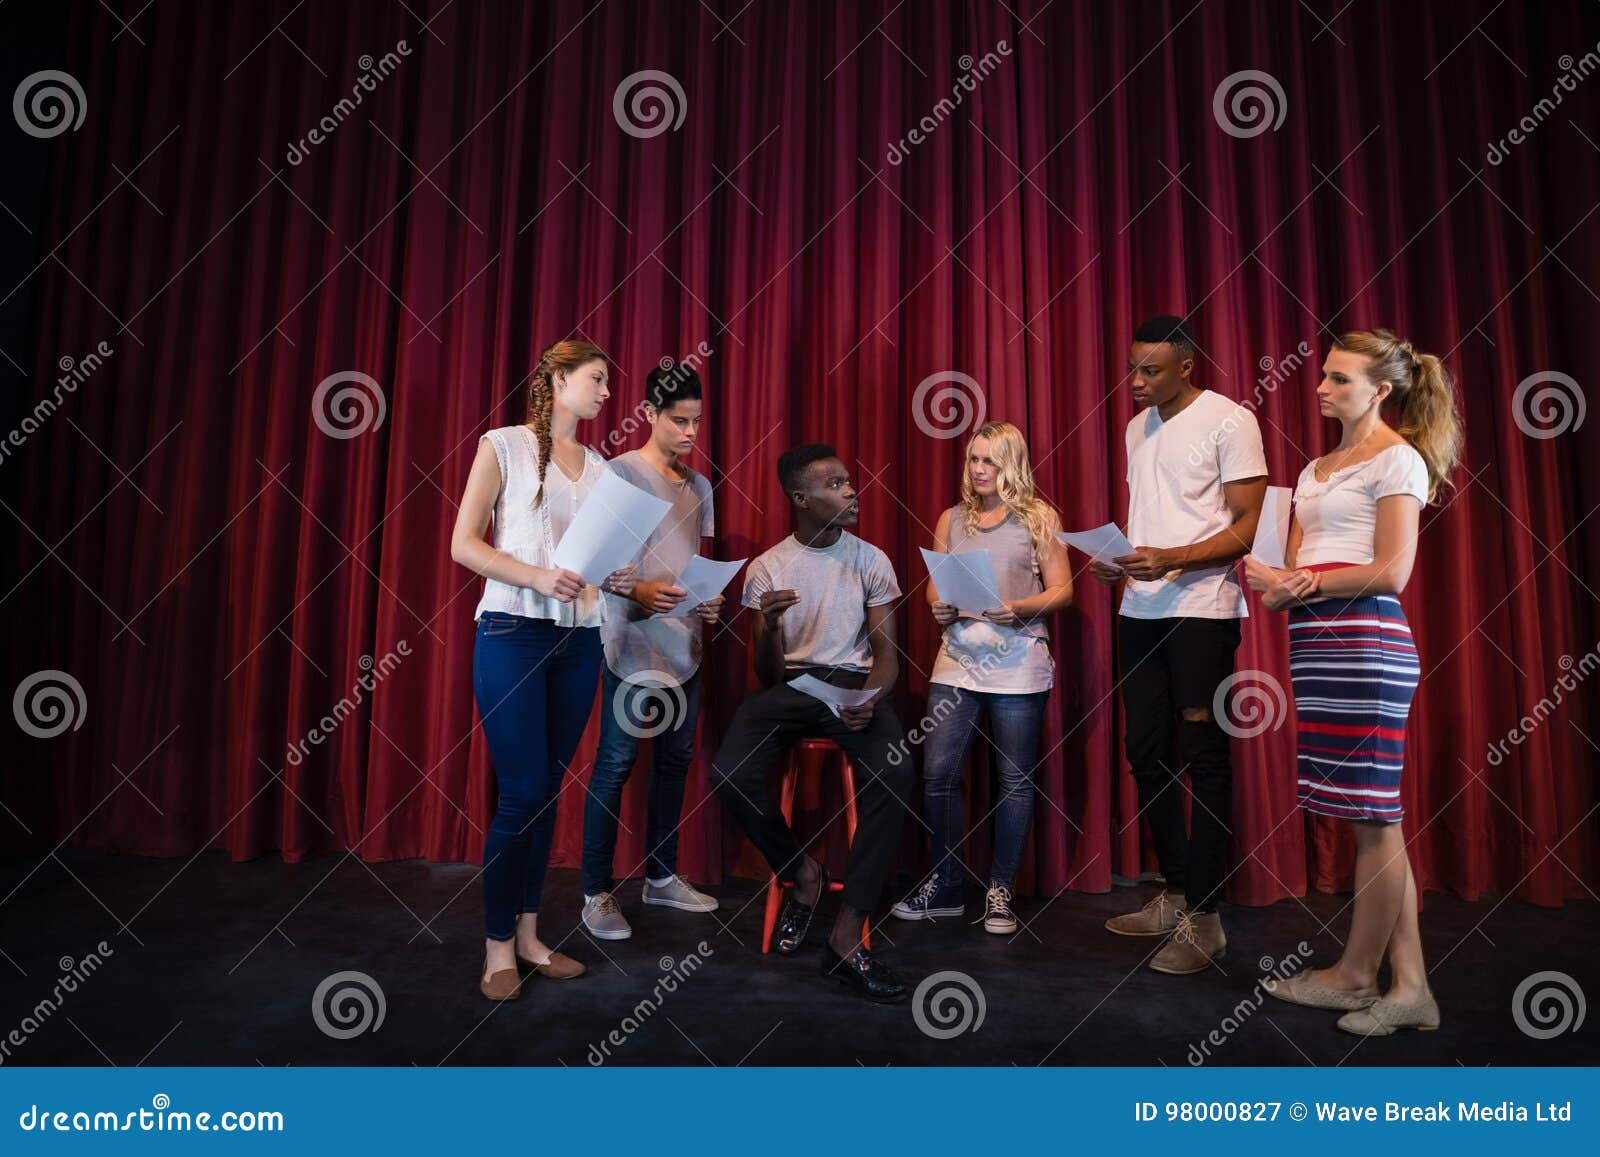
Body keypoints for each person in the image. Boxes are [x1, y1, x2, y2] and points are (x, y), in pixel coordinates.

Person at [1255, 329, 1461, 1036]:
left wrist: (1298, 582)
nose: (1321, 387)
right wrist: (1274, 580)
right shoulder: (1317, 466)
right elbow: (1291, 564)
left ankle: (1352, 975)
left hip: (1367, 643)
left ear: (1380, 390)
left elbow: (1392, 571)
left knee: (1374, 820)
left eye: (1340, 379)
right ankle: (1409, 988)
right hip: (1317, 643)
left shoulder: (1397, 458)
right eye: (1324, 376)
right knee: (1369, 816)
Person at [450, 339, 635, 1002]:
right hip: (511, 635)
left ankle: (530, 937)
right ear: (557, 381)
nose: (607, 392)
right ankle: (497, 945)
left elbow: (590, 559)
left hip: (579, 642)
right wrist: (537, 576)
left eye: (607, 382)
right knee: (522, 793)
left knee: (548, 794)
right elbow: (463, 543)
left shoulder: (602, 467)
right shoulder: (502, 445)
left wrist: (608, 574)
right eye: (596, 379)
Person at [1089, 315, 1267, 974]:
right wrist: (1121, 562)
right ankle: (1172, 891)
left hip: (1201, 609)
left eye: (1151, 370)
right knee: (1144, 751)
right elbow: (1151, 525)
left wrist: (1175, 559)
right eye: (1133, 368)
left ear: (1187, 365)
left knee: (1203, 755)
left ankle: (1207, 918)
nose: (1136, 382)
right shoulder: (1140, 427)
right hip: (1141, 607)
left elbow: (1249, 528)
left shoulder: (1229, 419)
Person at [709, 443, 913, 1001]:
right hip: (792, 685)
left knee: (894, 773)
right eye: (836, 484)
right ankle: (801, 873)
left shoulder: (872, 559)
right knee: (728, 774)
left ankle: (848, 933)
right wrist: (769, 628)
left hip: (852, 683)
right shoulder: (768, 567)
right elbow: (768, 673)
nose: (852, 491)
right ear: (802, 498)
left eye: (850, 481)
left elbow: (889, 653)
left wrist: (873, 694)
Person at [890, 421, 1074, 934]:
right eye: (973, 459)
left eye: (989, 460)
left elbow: (1063, 591)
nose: (978, 469)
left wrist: (1019, 608)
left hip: (1018, 664)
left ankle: (999, 890)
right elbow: (933, 590)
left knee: (1014, 780)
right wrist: (939, 608)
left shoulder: (1039, 518)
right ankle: (946, 884)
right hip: (957, 662)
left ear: (1011, 463)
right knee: (938, 777)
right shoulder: (952, 518)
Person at [580, 362, 723, 939]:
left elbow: (694, 563)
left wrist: (707, 603)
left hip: (683, 644)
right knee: (615, 764)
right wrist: (639, 591)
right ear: (650, 415)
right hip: (630, 640)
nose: (690, 432)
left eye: (697, 421)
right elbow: (592, 567)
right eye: (679, 421)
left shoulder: (699, 487)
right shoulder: (618, 476)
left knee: (675, 763)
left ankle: (661, 877)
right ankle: (595, 892)